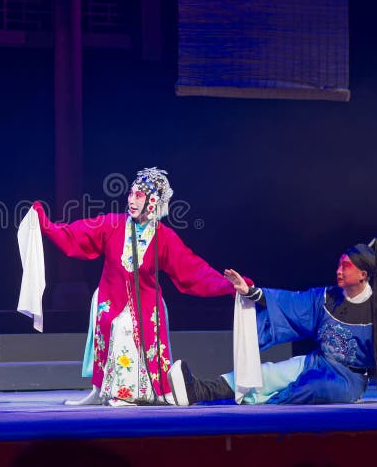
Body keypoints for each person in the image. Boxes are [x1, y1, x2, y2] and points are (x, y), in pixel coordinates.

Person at [32, 168, 251, 406]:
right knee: (110, 326)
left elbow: (192, 269)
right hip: (110, 298)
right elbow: (76, 235)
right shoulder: (112, 224)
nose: (131, 200)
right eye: (131, 194)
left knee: (126, 327)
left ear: (153, 201)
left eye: (138, 195)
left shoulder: (163, 237)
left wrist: (229, 285)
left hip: (145, 306)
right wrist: (45, 224)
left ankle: (130, 393)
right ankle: (101, 390)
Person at [167, 238, 377, 405]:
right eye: (339, 264)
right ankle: (198, 390)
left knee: (315, 387)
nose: (338, 271)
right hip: (317, 362)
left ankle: (267, 401)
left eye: (346, 267)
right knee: (265, 374)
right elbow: (291, 303)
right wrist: (252, 292)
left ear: (363, 274)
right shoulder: (326, 298)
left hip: (348, 381)